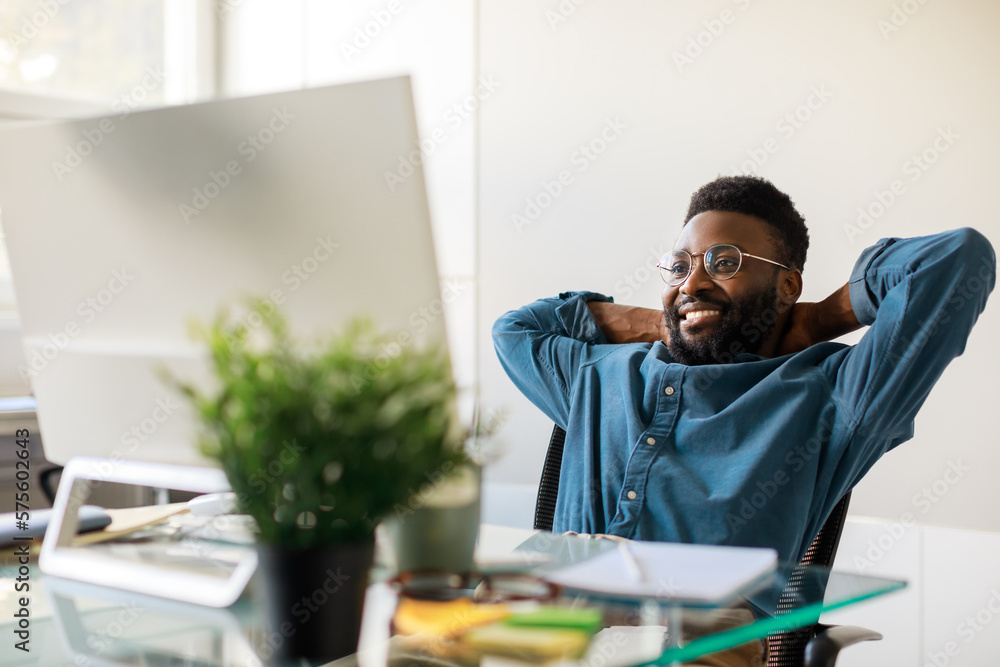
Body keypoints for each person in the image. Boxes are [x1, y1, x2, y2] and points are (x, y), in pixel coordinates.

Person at [492, 175, 995, 665]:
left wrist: (821, 318)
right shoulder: (598, 373)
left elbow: (956, 259)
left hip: (689, 646)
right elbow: (514, 330)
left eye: (724, 262)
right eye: (679, 266)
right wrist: (670, 321)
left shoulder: (834, 395)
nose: (693, 282)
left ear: (787, 285)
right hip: (536, 636)